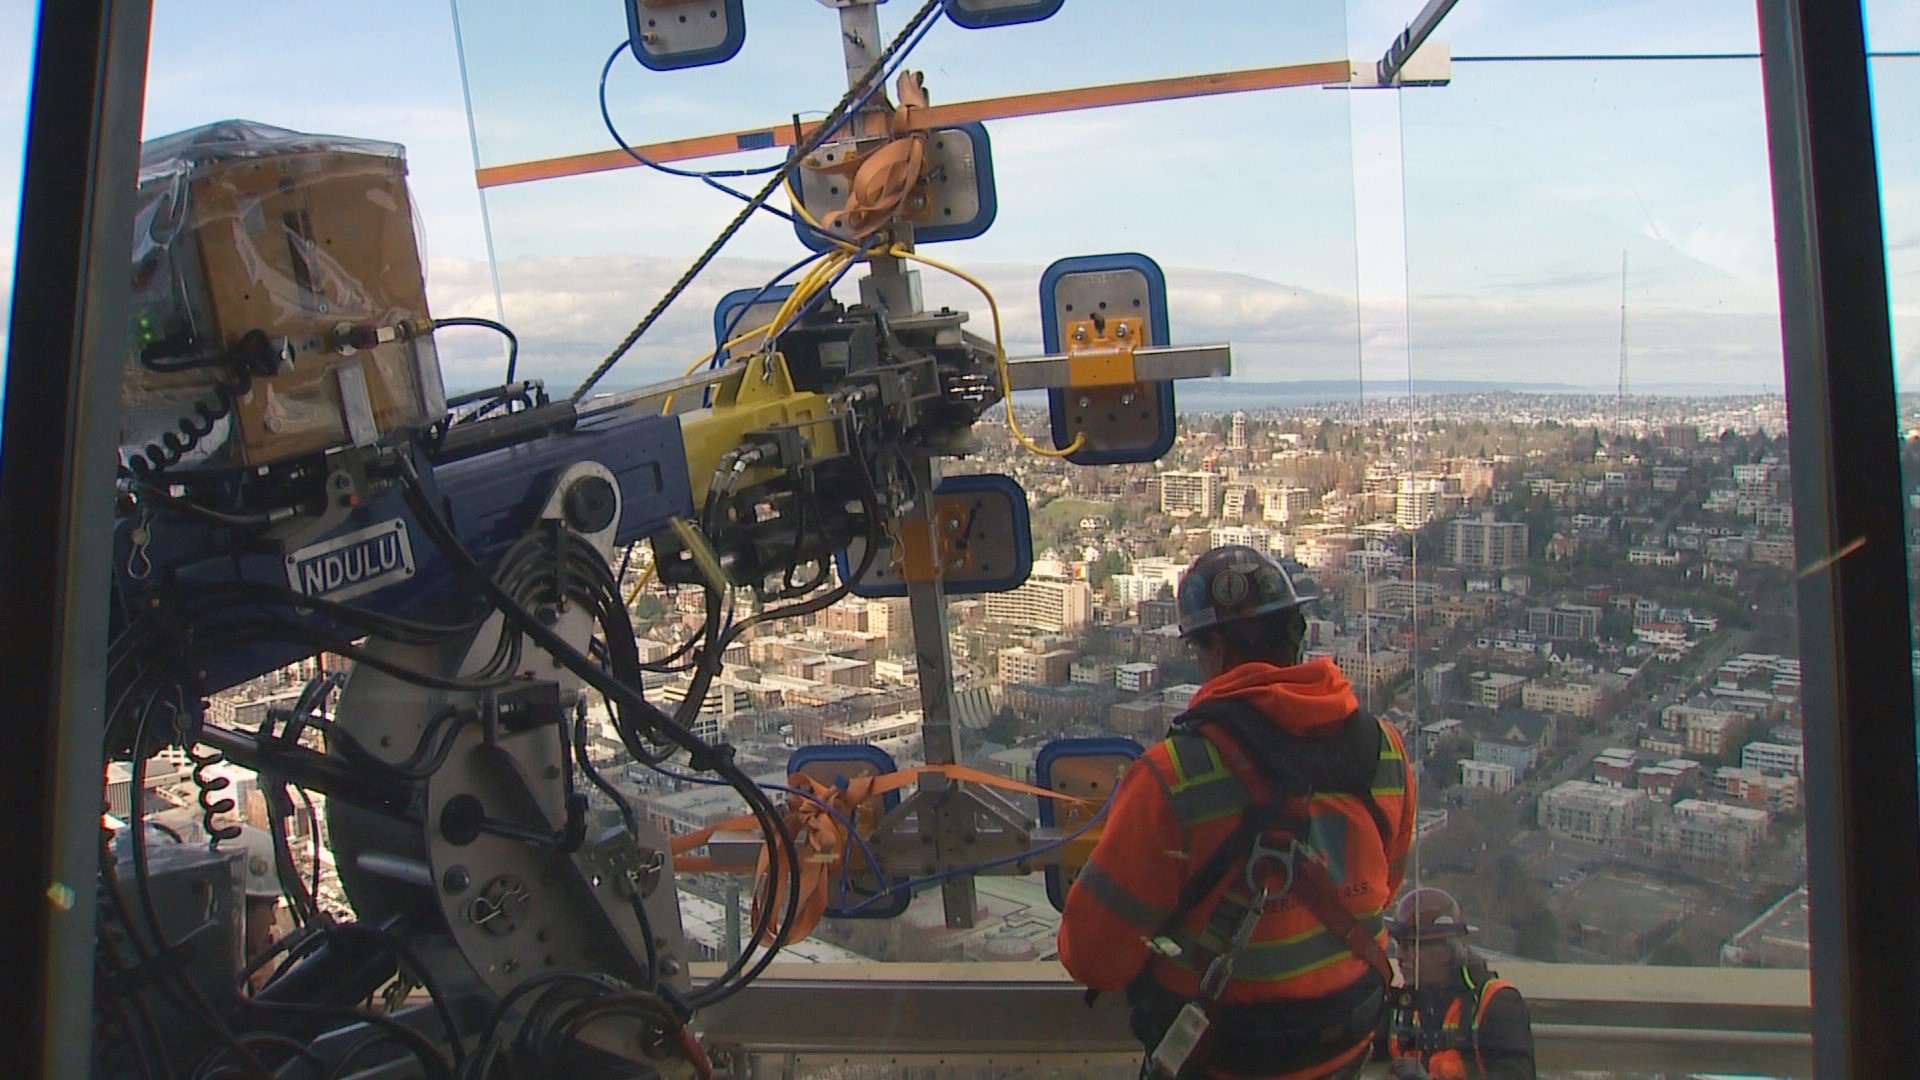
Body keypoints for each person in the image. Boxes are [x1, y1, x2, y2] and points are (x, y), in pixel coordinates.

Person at [1057, 545, 1417, 1080]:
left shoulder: (1172, 777)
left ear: (1214, 650)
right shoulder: (1383, 750)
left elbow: (1094, 958)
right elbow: (1381, 888)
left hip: (1224, 1061)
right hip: (1344, 1051)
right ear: (1296, 633)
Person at [1381, 888, 1536, 1080]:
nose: (1399, 957)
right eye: (1397, 945)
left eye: (1409, 946)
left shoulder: (1497, 1002)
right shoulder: (1402, 1005)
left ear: (1447, 950)